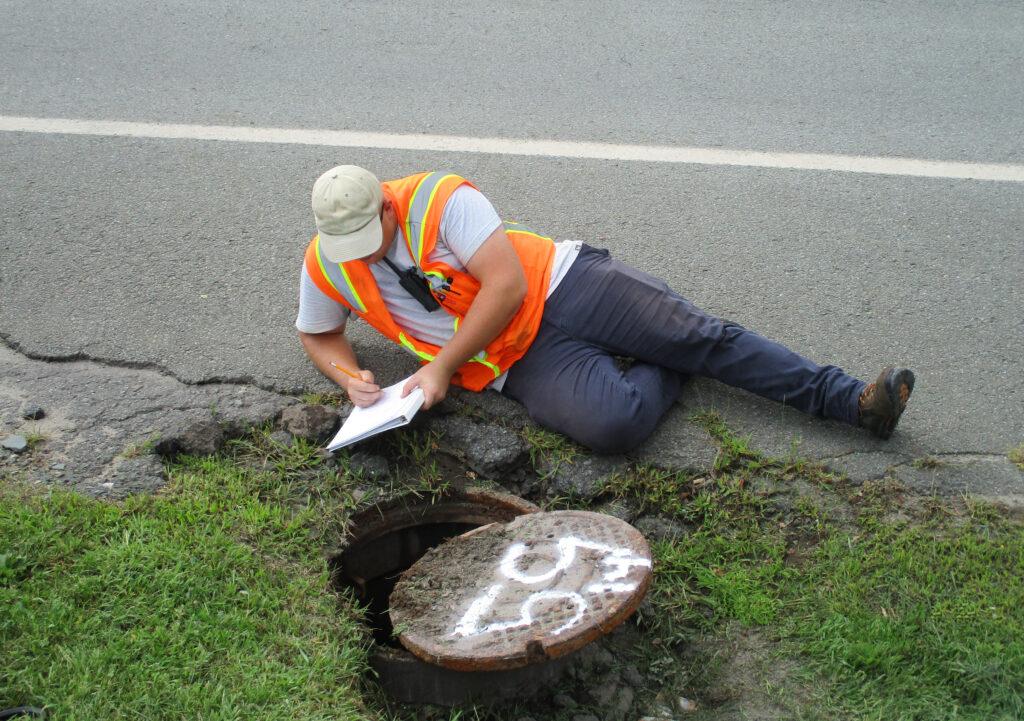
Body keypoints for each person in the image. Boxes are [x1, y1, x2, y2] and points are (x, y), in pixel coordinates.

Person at [296, 166, 914, 454]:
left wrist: (438, 368)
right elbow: (318, 333)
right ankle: (662, 350)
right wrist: (350, 378)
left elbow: (506, 288)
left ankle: (851, 402)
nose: (361, 255)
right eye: (344, 245)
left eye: (369, 237)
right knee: (612, 426)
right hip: (516, 362)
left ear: (385, 207)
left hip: (563, 284)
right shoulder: (326, 262)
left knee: (701, 336)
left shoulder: (438, 198)